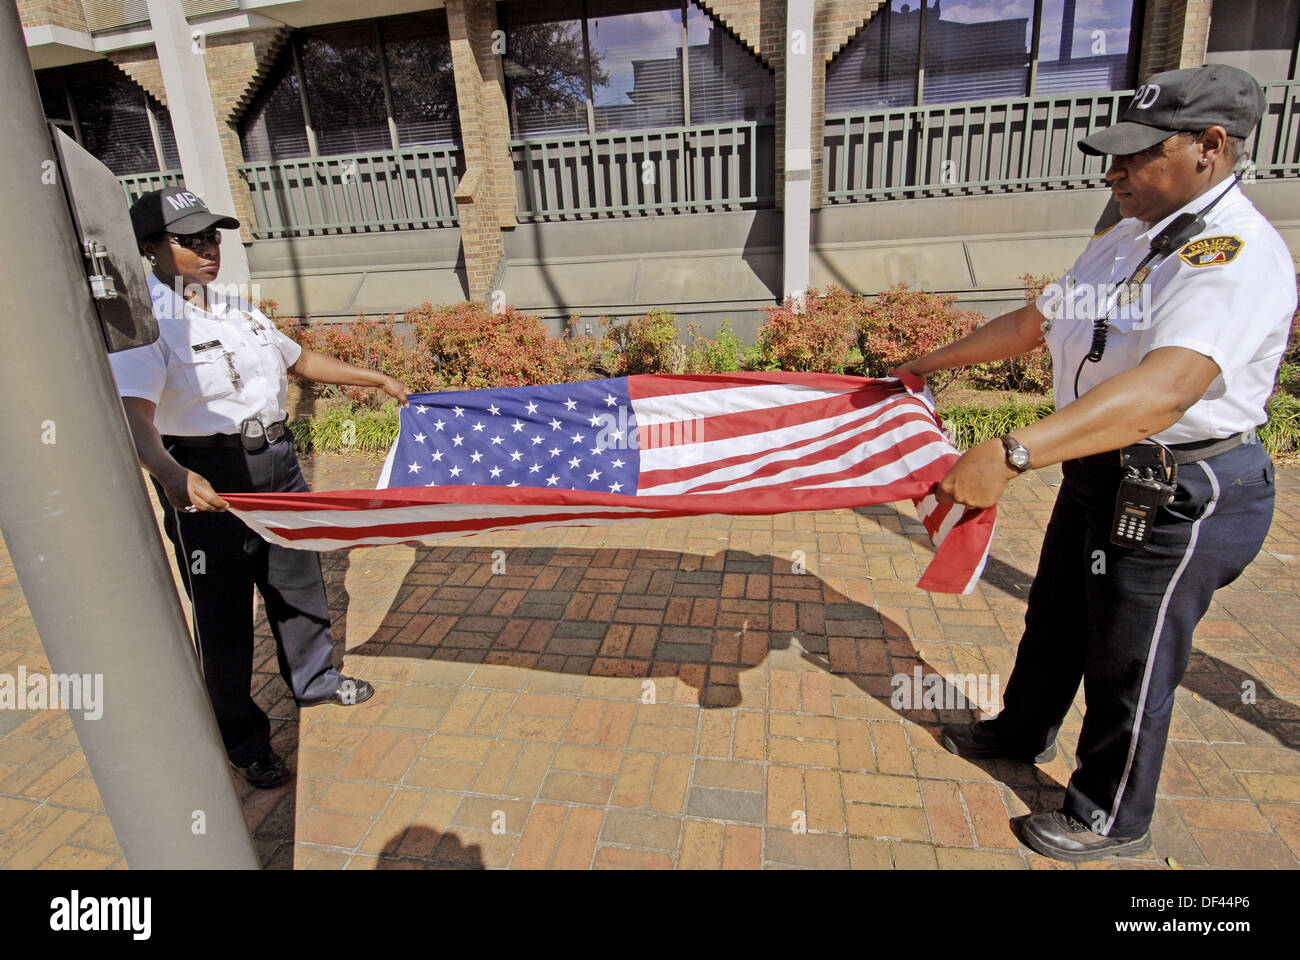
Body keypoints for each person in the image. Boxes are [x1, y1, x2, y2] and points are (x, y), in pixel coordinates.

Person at [896, 64, 1296, 862]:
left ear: (1211, 148)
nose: (1113, 172)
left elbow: (1166, 390)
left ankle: (1110, 815)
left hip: (1181, 484)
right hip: (1100, 470)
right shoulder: (1126, 237)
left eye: (1137, 155)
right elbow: (1035, 324)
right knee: (1057, 615)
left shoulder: (1235, 257)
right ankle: (1021, 730)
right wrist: (925, 366)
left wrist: (1011, 453)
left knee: (1130, 655)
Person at [109, 186, 409, 788]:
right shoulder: (149, 325)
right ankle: (244, 740)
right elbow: (134, 418)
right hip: (209, 479)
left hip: (277, 464)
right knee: (222, 618)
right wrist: (170, 474)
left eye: (211, 236)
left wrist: (373, 378)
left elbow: (299, 361)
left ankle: (315, 679)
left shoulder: (236, 308)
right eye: (188, 239)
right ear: (151, 249)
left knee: (299, 581)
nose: (207, 248)